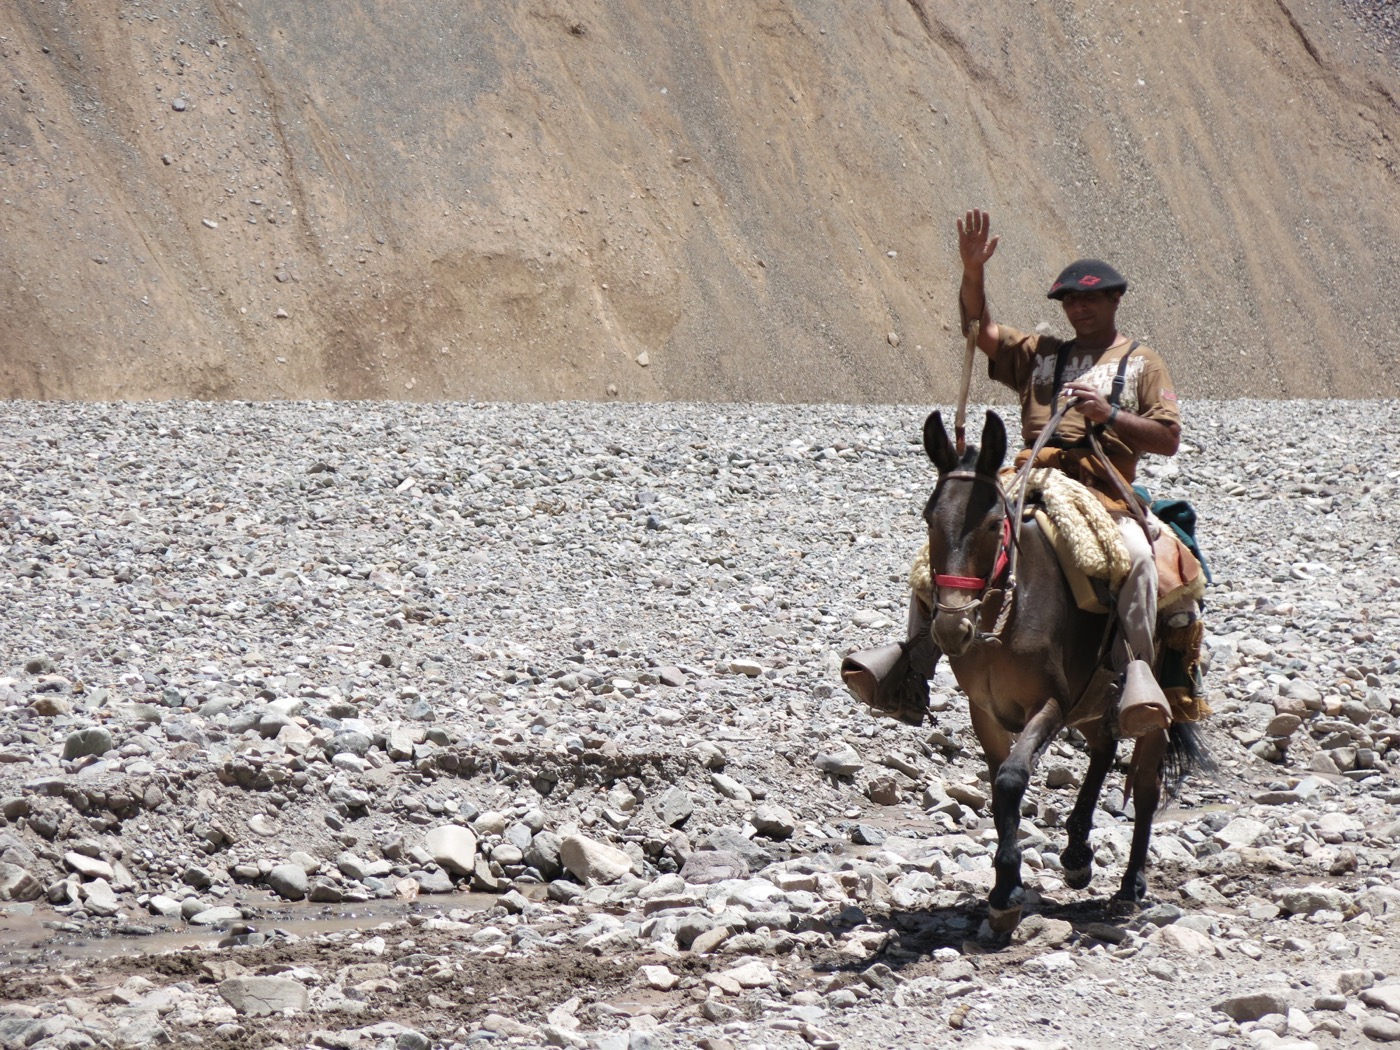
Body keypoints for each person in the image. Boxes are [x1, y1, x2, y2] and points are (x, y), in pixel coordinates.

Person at [842, 208, 1182, 728]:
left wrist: (1108, 414)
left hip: (1100, 486)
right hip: (1027, 478)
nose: (1079, 307)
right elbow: (979, 330)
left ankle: (1132, 678)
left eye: (1090, 298)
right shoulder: (1040, 354)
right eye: (1070, 300)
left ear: (1116, 300)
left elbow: (1168, 438)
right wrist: (972, 270)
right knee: (942, 548)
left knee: (1136, 557)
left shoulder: (1142, 363)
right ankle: (912, 670)